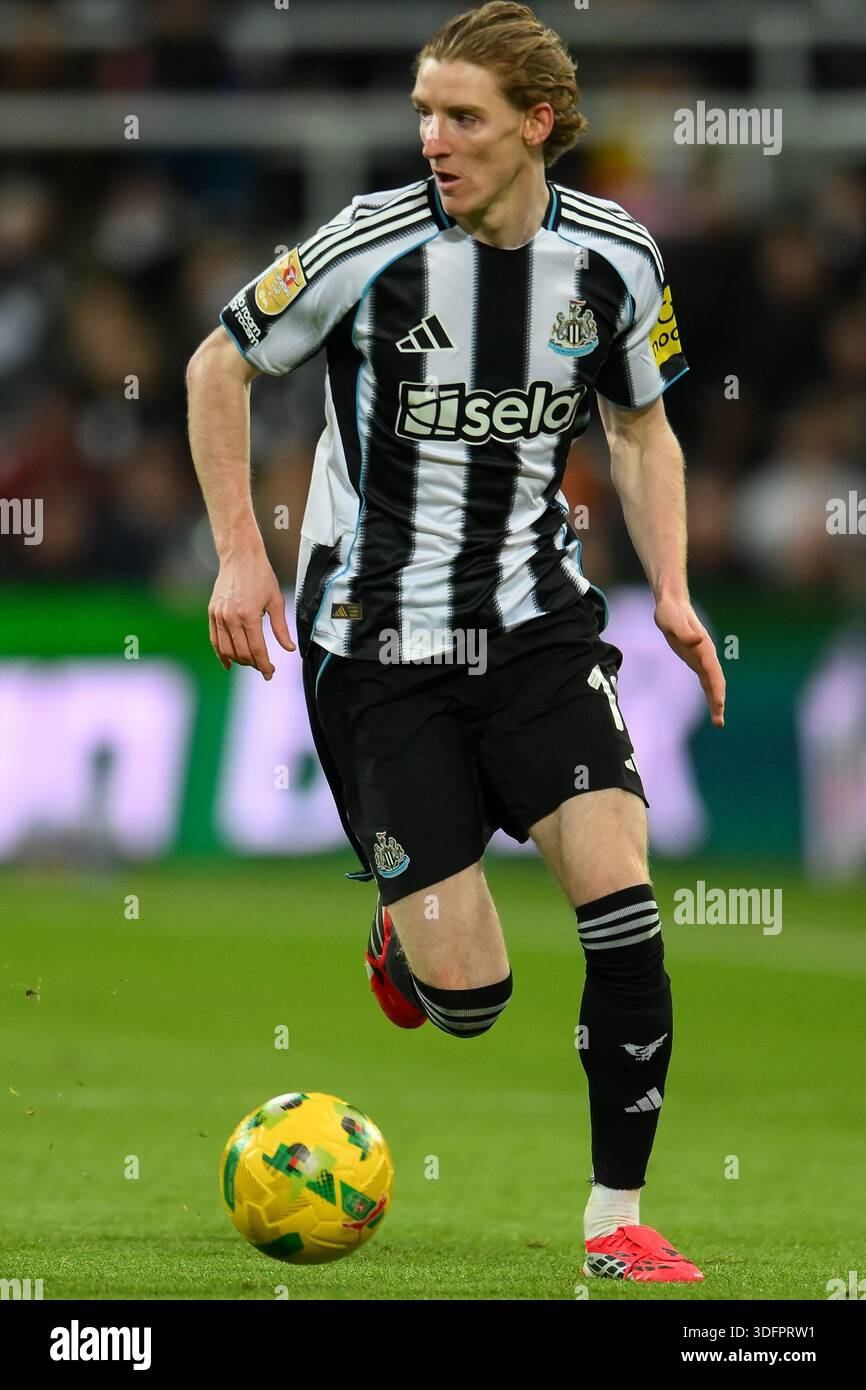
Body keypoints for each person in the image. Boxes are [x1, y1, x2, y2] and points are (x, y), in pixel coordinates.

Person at [186, 1, 725, 1283]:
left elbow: (640, 429)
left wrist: (677, 591)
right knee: (470, 1003)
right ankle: (401, 927)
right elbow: (217, 366)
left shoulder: (617, 258)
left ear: (534, 125)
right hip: (376, 652)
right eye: (424, 111)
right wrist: (239, 552)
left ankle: (614, 1225)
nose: (433, 136)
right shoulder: (364, 245)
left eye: (461, 116)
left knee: (624, 911)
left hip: (540, 630)